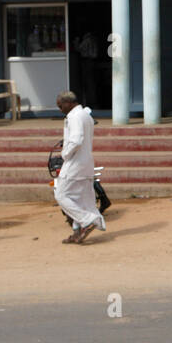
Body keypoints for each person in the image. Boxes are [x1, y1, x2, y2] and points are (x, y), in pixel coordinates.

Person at [55, 90, 106, 243]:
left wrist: (65, 153)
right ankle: (78, 230)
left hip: (75, 163)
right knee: (80, 199)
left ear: (68, 103)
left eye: (60, 106)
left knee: (61, 195)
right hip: (86, 163)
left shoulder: (74, 116)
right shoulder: (86, 115)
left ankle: (88, 220)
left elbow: (76, 140)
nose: (60, 110)